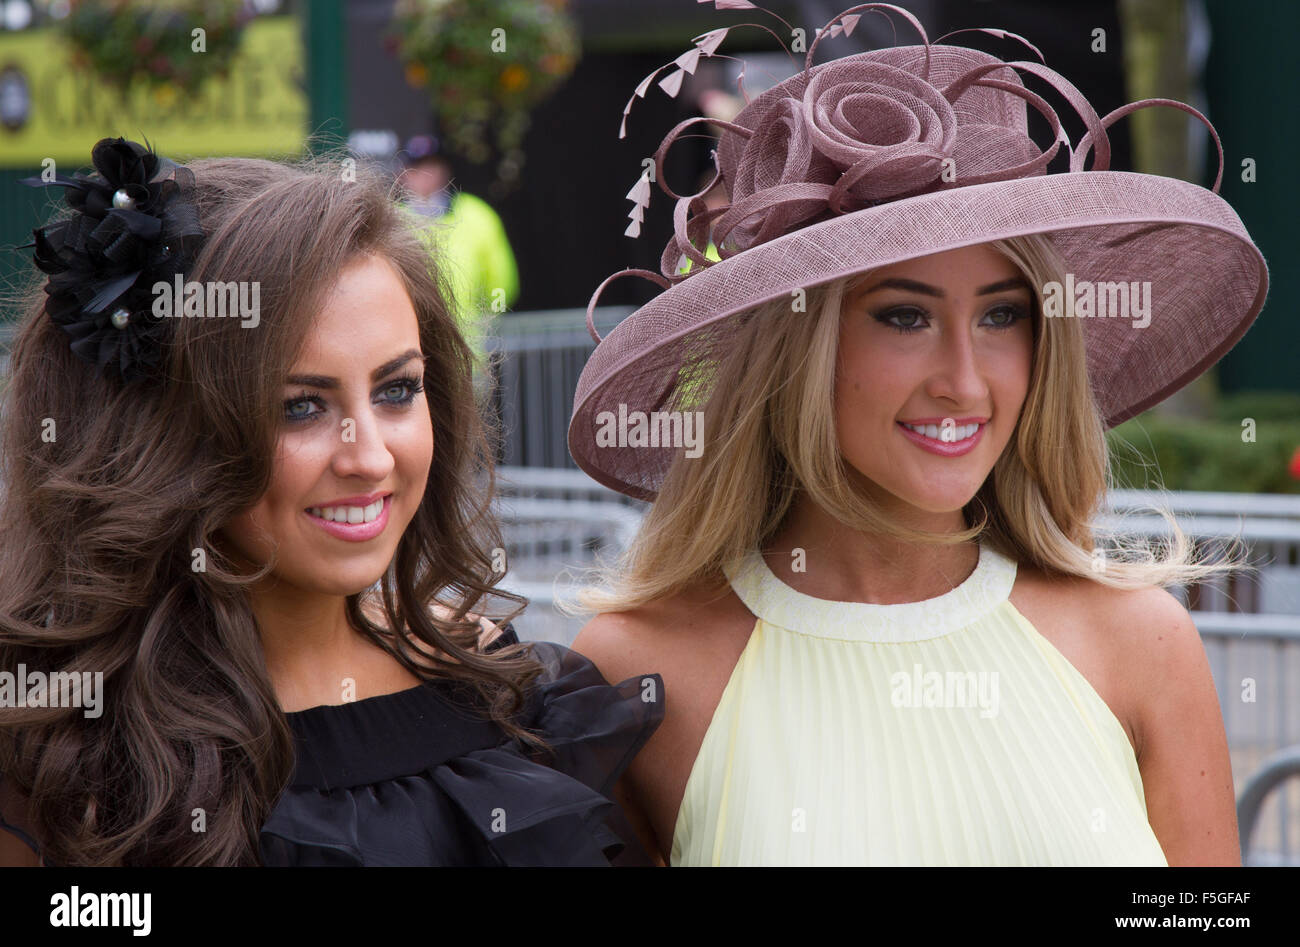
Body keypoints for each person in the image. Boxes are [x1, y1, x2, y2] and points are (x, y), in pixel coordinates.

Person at [565, 2, 1268, 865]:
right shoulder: (640, 672)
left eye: (1003, 315)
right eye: (905, 316)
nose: (965, 382)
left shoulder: (1141, 643)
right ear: (800, 345)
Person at [0, 137, 662, 866]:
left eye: (396, 390)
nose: (371, 456)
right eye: (299, 407)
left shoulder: (521, 697)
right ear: (159, 435)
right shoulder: (57, 763)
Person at [398, 134, 519, 366]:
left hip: (466, 355)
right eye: (416, 169)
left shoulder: (477, 214)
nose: (425, 176)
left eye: (432, 166)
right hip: (407, 353)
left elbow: (503, 284)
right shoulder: (391, 220)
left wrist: (486, 325)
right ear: (402, 174)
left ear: (445, 170)